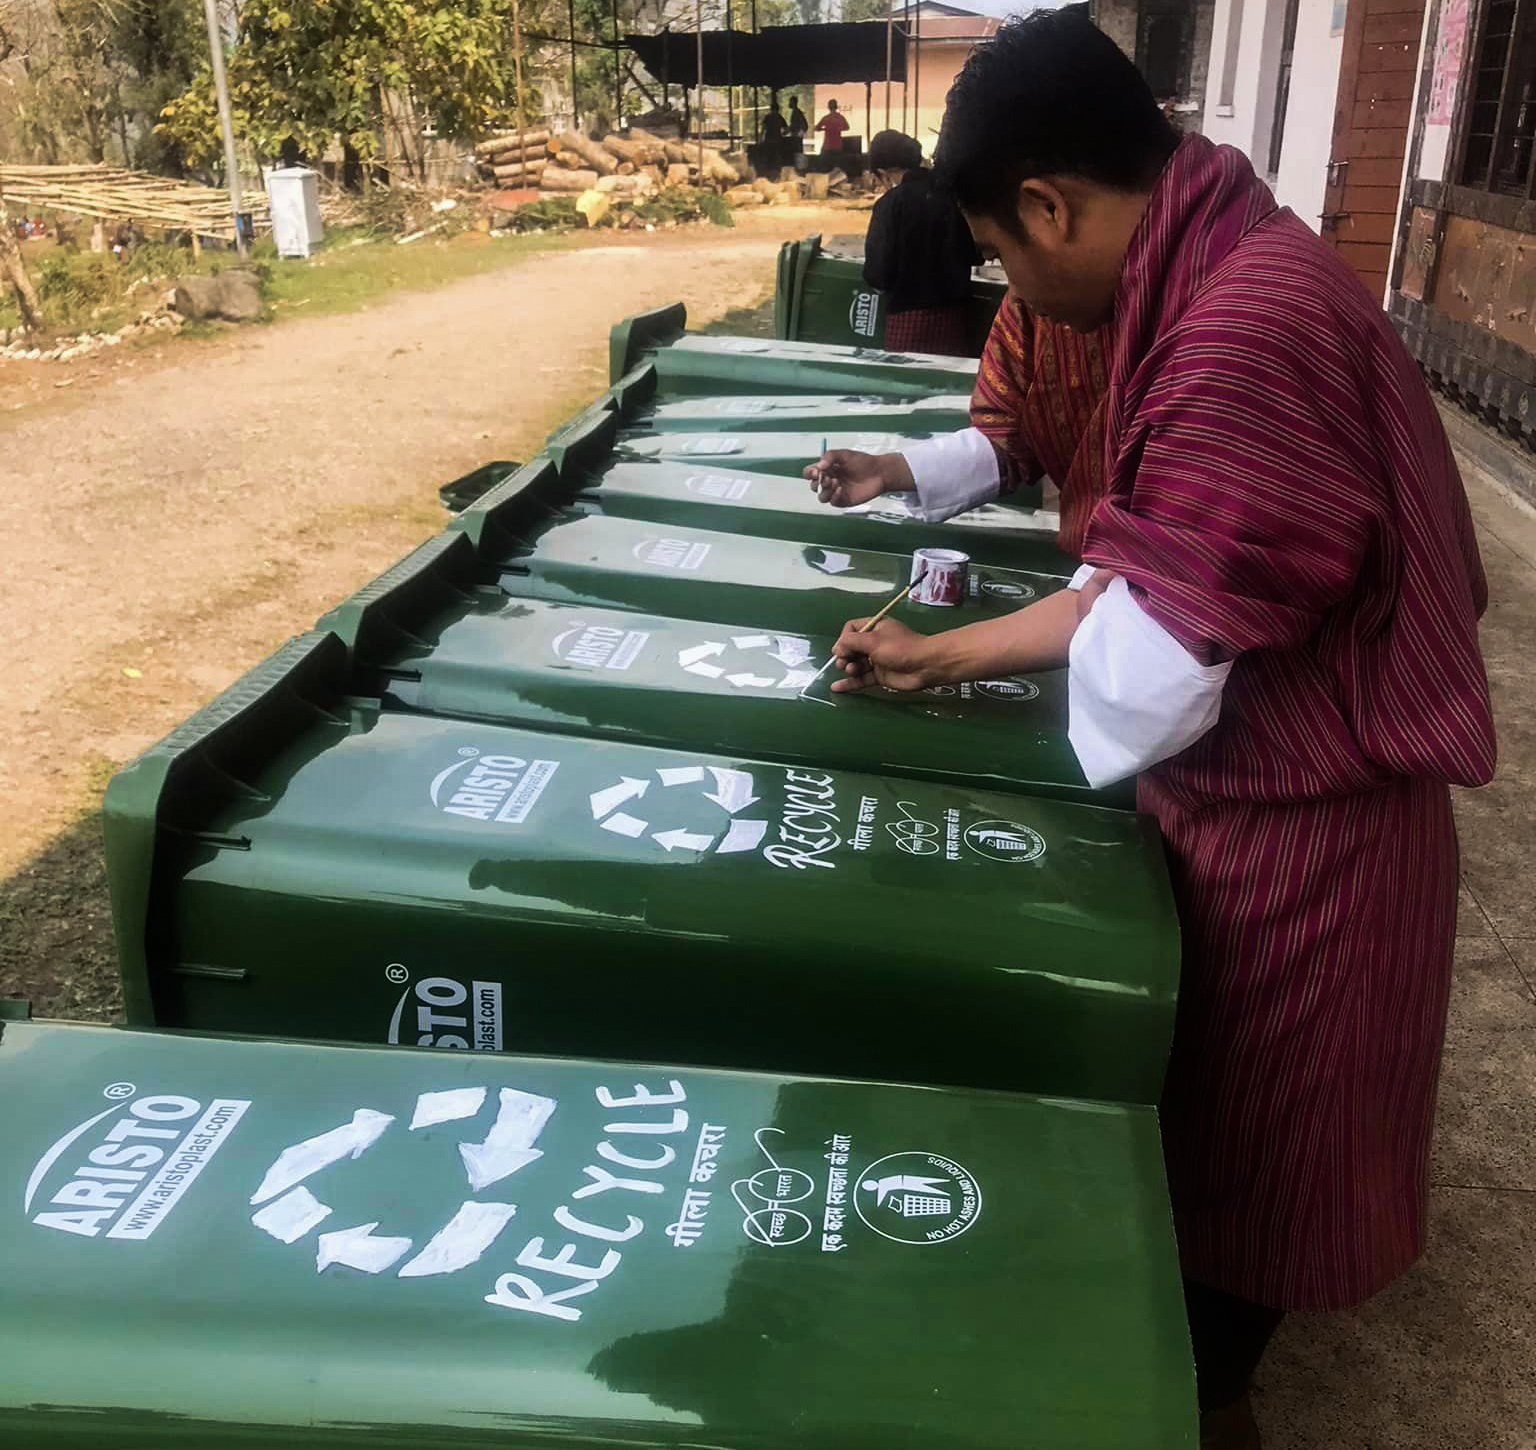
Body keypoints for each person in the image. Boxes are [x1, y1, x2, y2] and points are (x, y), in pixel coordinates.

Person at [824, 12, 1496, 1449]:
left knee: (1219, 1265)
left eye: (1005, 251)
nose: (1013, 283)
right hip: (1270, 807)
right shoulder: (1226, 261)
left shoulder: (1244, 330)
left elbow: (1154, 658)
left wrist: (952, 675)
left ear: (1053, 204)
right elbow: (1140, 574)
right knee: (1206, 1183)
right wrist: (945, 658)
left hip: (1307, 850)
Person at [861, 129, 980, 356]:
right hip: (955, 321)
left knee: (906, 386)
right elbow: (976, 253)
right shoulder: (953, 197)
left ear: (884, 173)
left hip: (907, 322)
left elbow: (878, 274)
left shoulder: (890, 204)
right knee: (945, 386)